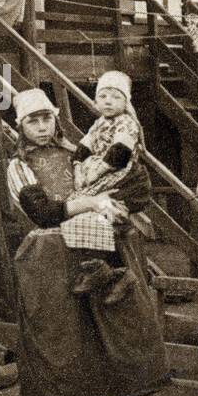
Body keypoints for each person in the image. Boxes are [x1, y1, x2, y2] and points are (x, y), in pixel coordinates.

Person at [6, 88, 168, 396]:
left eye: (47, 117)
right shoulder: (19, 166)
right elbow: (43, 212)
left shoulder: (80, 154)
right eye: (33, 120)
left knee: (106, 341)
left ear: (56, 119)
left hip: (100, 251)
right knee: (67, 344)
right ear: (21, 127)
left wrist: (120, 206)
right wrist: (93, 202)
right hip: (51, 261)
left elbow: (129, 182)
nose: (42, 126)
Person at [69, 69, 146, 305]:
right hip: (100, 175)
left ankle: (118, 272)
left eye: (115, 97)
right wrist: (78, 168)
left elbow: (118, 155)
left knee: (105, 211)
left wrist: (94, 172)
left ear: (125, 101)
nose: (108, 101)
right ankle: (99, 268)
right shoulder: (99, 124)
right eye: (103, 96)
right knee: (79, 208)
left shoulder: (127, 124)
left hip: (125, 179)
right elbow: (83, 149)